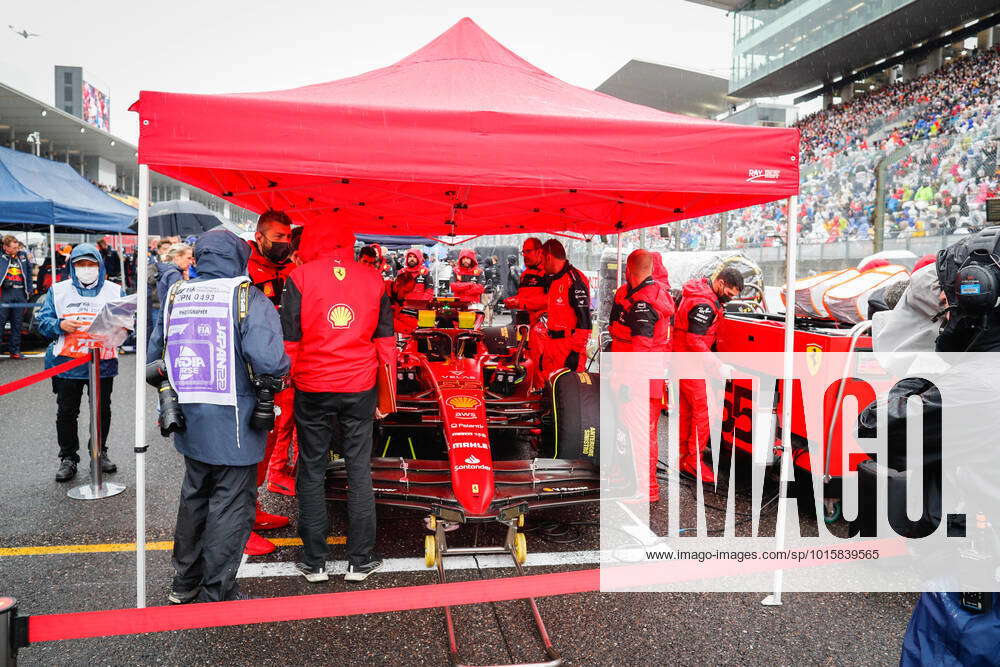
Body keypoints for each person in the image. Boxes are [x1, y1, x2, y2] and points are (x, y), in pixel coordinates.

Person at [148, 230, 289, 603]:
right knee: (231, 504)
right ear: (240, 257)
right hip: (236, 420)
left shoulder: (177, 293)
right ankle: (218, 590)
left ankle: (184, 582)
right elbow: (269, 360)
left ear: (200, 258)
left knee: (194, 496)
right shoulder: (246, 297)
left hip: (187, 416)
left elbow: (155, 355)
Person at [280, 223, 396, 583]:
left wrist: (287, 386)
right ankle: (361, 560)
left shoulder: (299, 277)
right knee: (359, 468)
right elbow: (386, 344)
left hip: (312, 384)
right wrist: (386, 396)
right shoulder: (373, 278)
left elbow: (289, 342)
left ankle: (314, 561)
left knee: (312, 468)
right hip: (359, 385)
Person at [35, 244, 125, 482]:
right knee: (67, 411)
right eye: (81, 264)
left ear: (100, 265)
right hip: (67, 363)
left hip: (102, 363)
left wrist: (122, 329)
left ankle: (99, 452)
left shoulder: (115, 291)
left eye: (91, 264)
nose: (86, 268)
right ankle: (68, 457)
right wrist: (60, 325)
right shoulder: (59, 290)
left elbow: (128, 324)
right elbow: (42, 321)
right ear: (72, 267)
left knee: (102, 411)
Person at [245, 210, 296, 554]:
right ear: (260, 236)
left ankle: (251, 509)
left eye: (288, 237)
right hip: (250, 373)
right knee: (248, 448)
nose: (284, 243)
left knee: (270, 440)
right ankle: (237, 525)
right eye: (278, 237)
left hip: (280, 370)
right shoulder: (243, 268)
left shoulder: (290, 269)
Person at [608, 250, 674, 502]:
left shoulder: (645, 303)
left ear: (628, 269)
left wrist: (627, 382)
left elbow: (642, 349)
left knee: (641, 433)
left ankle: (647, 489)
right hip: (629, 373)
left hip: (639, 378)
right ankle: (626, 476)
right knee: (625, 428)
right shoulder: (632, 294)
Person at [671, 267, 744, 483]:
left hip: (680, 361)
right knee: (705, 412)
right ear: (720, 283)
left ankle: (683, 459)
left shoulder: (698, 291)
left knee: (687, 413)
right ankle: (693, 462)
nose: (730, 298)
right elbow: (694, 340)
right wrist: (717, 365)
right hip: (691, 364)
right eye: (729, 293)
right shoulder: (704, 303)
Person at [538, 239, 591, 376]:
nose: (541, 265)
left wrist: (575, 352)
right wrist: (546, 349)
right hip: (552, 344)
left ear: (548, 257)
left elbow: (585, 322)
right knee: (548, 385)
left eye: (542, 260)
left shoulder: (575, 280)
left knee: (567, 387)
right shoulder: (554, 279)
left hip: (568, 347)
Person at [0, 235, 34, 359]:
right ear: (5, 247)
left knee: (17, 324)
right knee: (0, 323)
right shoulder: (1, 257)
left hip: (20, 294)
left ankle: (15, 351)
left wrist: (29, 290)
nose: (17, 249)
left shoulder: (23, 255)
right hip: (5, 294)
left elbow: (29, 273)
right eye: (14, 248)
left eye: (17, 247)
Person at [503, 238, 548, 323]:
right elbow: (524, 296)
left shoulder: (548, 272)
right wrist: (512, 300)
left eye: (528, 251)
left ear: (539, 251)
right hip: (523, 322)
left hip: (541, 323)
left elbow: (551, 300)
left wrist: (521, 302)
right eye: (523, 252)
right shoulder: (525, 274)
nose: (524, 255)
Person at [390, 248, 434, 334]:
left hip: (421, 308)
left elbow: (429, 291)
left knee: (423, 332)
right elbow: (397, 292)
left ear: (419, 258)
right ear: (407, 258)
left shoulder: (425, 272)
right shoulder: (401, 272)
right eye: (410, 257)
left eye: (414, 257)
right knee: (407, 333)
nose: (412, 259)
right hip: (405, 308)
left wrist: (421, 302)